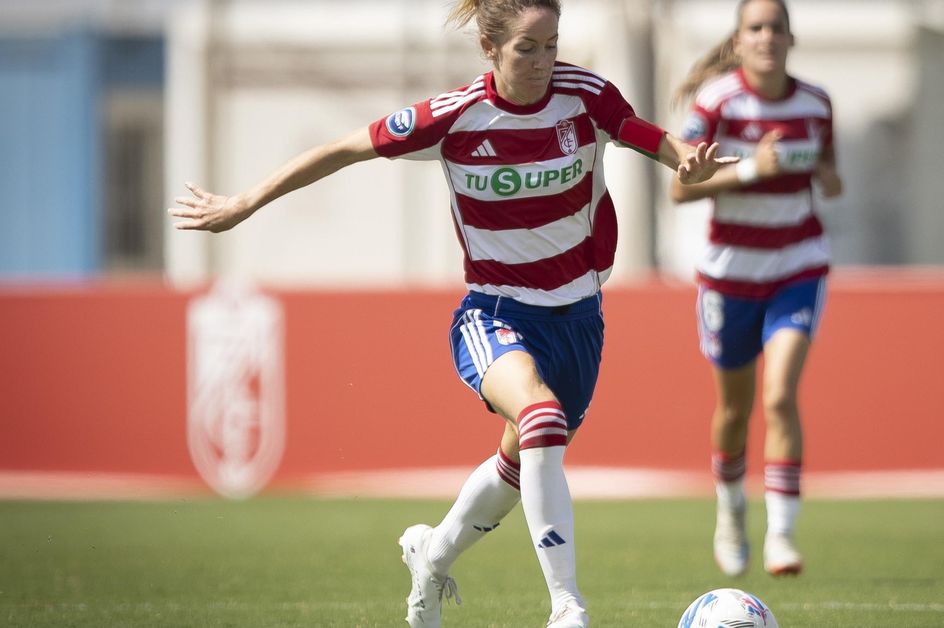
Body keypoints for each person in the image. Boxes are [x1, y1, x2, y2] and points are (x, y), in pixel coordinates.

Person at [170, 1, 732, 626]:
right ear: (490, 49)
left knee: (525, 458)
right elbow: (345, 147)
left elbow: (646, 136)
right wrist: (246, 201)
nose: (545, 61)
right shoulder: (456, 116)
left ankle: (431, 558)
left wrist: (687, 154)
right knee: (542, 418)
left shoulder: (587, 97)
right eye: (527, 48)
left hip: (578, 315)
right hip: (495, 312)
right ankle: (567, 605)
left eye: (552, 44)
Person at [669, 0, 843, 578]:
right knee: (735, 410)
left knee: (779, 397)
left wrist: (827, 176)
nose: (767, 37)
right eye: (756, 28)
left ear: (792, 38)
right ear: (739, 40)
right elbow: (680, 189)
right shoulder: (717, 103)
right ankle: (730, 513)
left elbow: (830, 178)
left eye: (777, 28)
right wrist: (751, 169)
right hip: (730, 274)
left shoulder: (816, 104)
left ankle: (783, 538)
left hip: (797, 266)